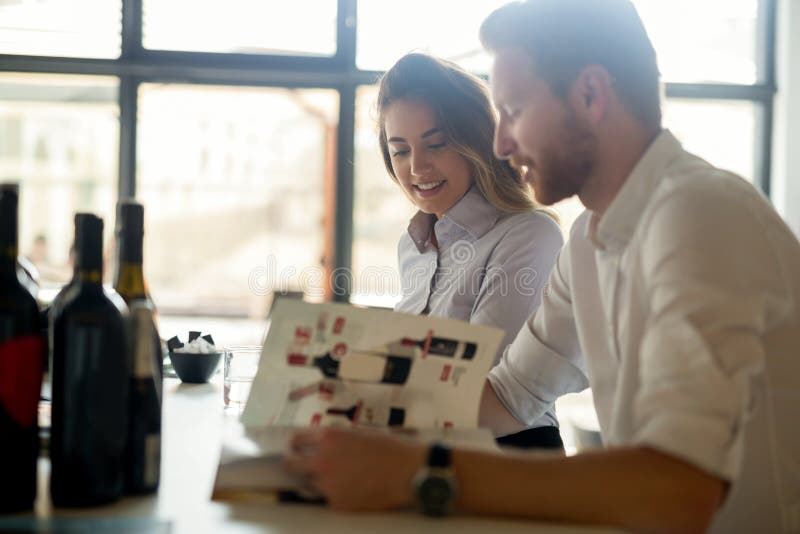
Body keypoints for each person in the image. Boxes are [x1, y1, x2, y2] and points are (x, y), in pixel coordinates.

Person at [283, 1, 800, 532]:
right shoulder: (587, 241)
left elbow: (679, 488)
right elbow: (509, 396)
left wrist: (418, 471)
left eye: (515, 110)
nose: (502, 143)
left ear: (591, 94)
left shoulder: (697, 213)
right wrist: (344, 407)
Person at [379, 53, 566, 449]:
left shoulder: (529, 234)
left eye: (436, 144)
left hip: (509, 456)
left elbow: (487, 382)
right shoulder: (412, 246)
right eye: (400, 150)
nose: (417, 167)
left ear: (476, 142)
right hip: (421, 449)